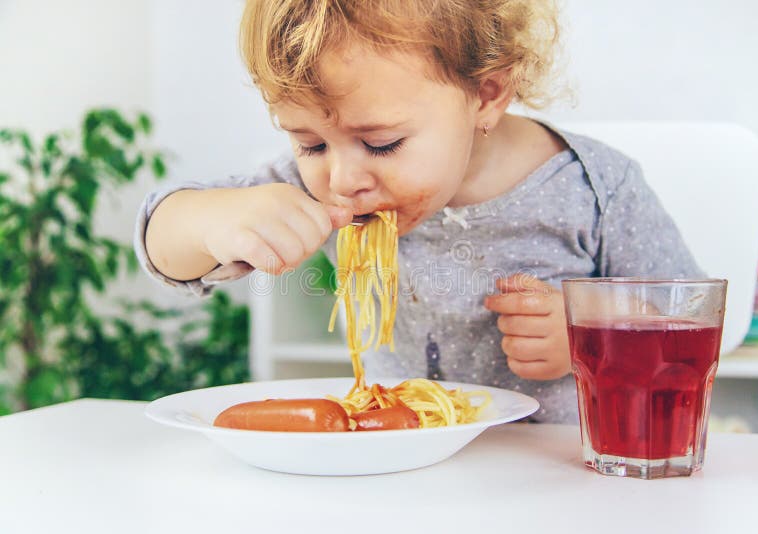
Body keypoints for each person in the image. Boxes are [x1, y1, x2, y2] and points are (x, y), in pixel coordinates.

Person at [136, 0, 702, 423]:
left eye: (380, 144)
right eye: (310, 144)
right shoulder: (313, 186)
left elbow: (691, 314)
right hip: (392, 461)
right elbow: (162, 243)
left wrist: (593, 337)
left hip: (553, 473)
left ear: (486, 94)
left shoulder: (594, 187)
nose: (343, 179)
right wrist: (210, 222)